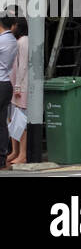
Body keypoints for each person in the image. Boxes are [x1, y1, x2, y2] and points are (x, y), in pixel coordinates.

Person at [6, 19, 26, 165]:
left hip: (21, 87)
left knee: (21, 121)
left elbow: (22, 65)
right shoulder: (19, 41)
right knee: (13, 120)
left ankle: (22, 154)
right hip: (15, 86)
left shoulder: (23, 42)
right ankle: (15, 151)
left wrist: (18, 86)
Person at [0, 14, 15, 170]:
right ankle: (2, 158)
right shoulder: (12, 40)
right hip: (6, 83)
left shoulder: (2, 40)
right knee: (2, 123)